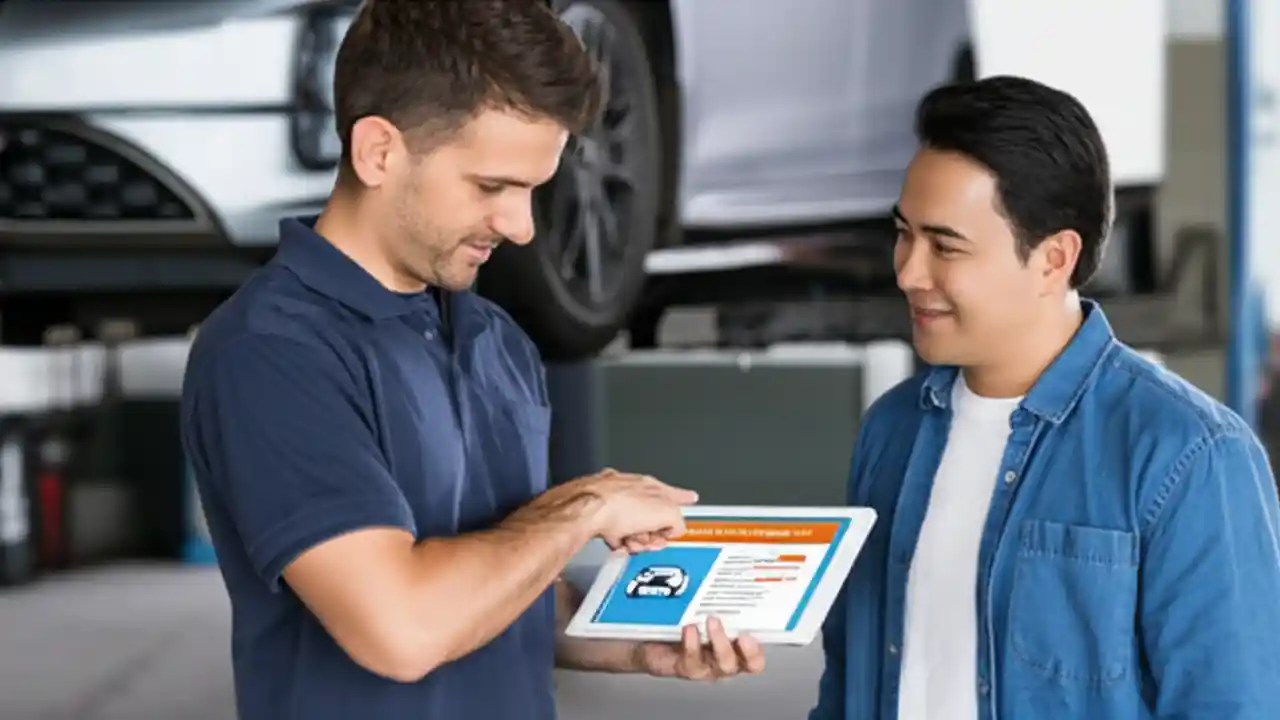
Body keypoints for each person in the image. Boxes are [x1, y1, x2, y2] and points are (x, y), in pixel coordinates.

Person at [179, 2, 764, 719]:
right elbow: (402, 628)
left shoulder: (497, 342)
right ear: (378, 153)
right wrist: (583, 508)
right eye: (492, 188)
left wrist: (636, 643)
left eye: (532, 192)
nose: (520, 228)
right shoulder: (271, 354)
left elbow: (511, 585)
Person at [809, 76, 1280, 719]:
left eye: (945, 245)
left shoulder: (1188, 455)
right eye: (905, 234)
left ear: (1055, 259)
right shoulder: (892, 430)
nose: (908, 272)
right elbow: (845, 692)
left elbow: (1232, 705)